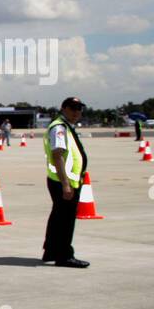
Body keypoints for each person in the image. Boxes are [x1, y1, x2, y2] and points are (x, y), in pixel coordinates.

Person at [42, 97, 90, 268]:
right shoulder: (60, 128)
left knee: (57, 217)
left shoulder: (65, 127)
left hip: (62, 180)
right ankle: (64, 256)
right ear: (64, 109)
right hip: (63, 181)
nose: (77, 112)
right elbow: (57, 155)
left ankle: (51, 251)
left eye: (79, 109)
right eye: (73, 108)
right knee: (65, 220)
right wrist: (65, 184)